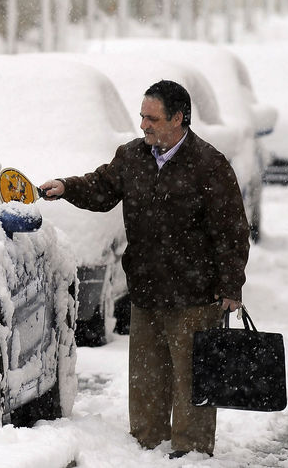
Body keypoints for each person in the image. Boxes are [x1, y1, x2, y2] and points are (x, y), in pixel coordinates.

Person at [40, 79, 250, 458]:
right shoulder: (133, 157)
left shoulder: (209, 166)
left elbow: (232, 231)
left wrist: (230, 286)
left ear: (179, 118)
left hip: (194, 294)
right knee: (146, 381)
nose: (143, 125)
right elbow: (101, 188)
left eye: (151, 118)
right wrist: (66, 187)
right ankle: (145, 450)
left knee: (192, 383)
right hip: (148, 291)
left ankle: (192, 454)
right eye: (142, 116)